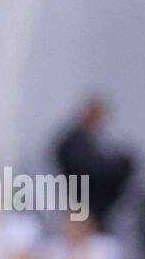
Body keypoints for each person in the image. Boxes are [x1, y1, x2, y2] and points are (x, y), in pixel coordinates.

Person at [54, 95, 135, 231]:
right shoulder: (72, 145)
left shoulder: (98, 144)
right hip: (80, 203)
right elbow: (91, 169)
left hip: (101, 210)